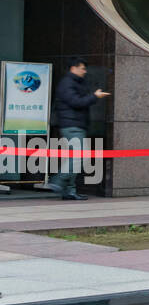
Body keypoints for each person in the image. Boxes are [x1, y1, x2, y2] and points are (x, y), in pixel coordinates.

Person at [50, 59, 108, 201]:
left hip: (76, 125)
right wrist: (94, 97)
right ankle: (57, 181)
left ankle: (69, 191)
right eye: (82, 68)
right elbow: (76, 102)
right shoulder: (67, 83)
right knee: (81, 156)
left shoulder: (74, 82)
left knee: (75, 157)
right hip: (72, 126)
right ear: (73, 68)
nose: (84, 71)